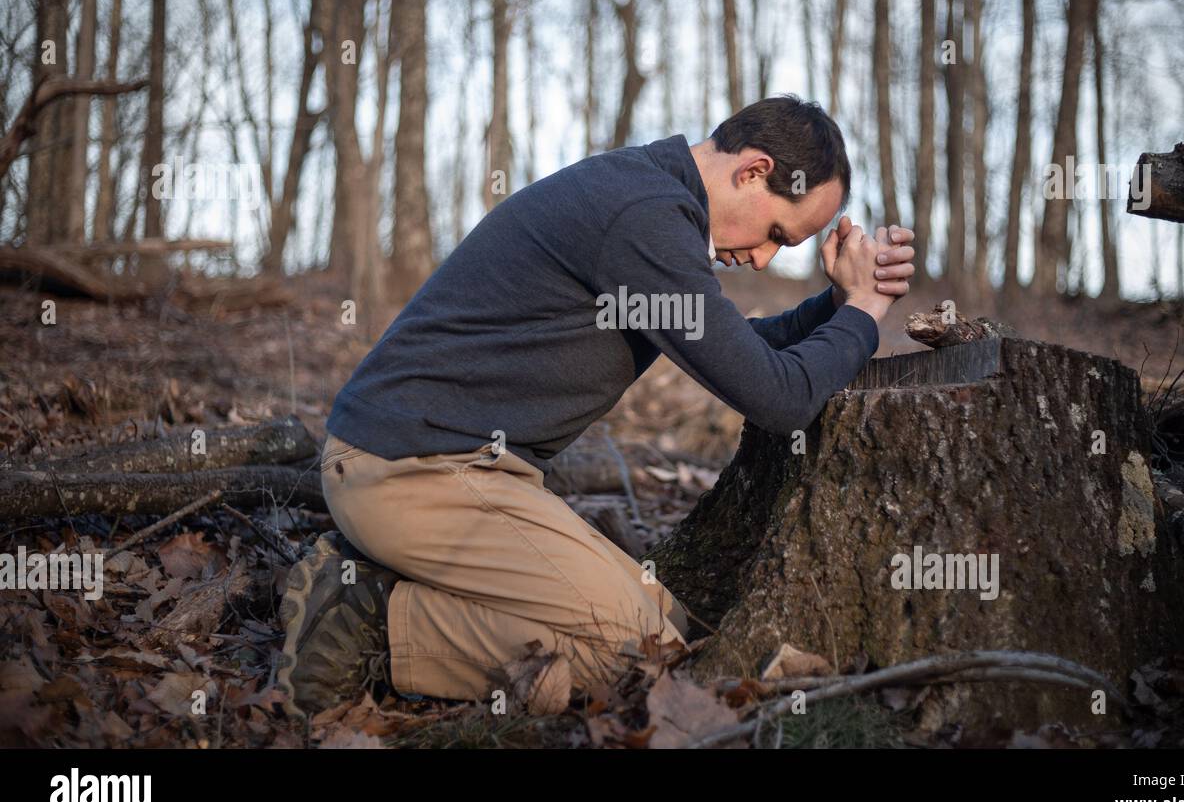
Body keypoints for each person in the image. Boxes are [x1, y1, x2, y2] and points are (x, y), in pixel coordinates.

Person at [277, 94, 916, 717]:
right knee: (639, 656)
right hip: (409, 469)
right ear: (753, 170)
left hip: (458, 469)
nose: (763, 256)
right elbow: (780, 398)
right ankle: (371, 619)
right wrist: (863, 312)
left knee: (664, 620)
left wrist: (835, 308)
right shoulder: (645, 218)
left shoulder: (649, 199)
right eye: (777, 232)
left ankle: (392, 592)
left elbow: (742, 353)